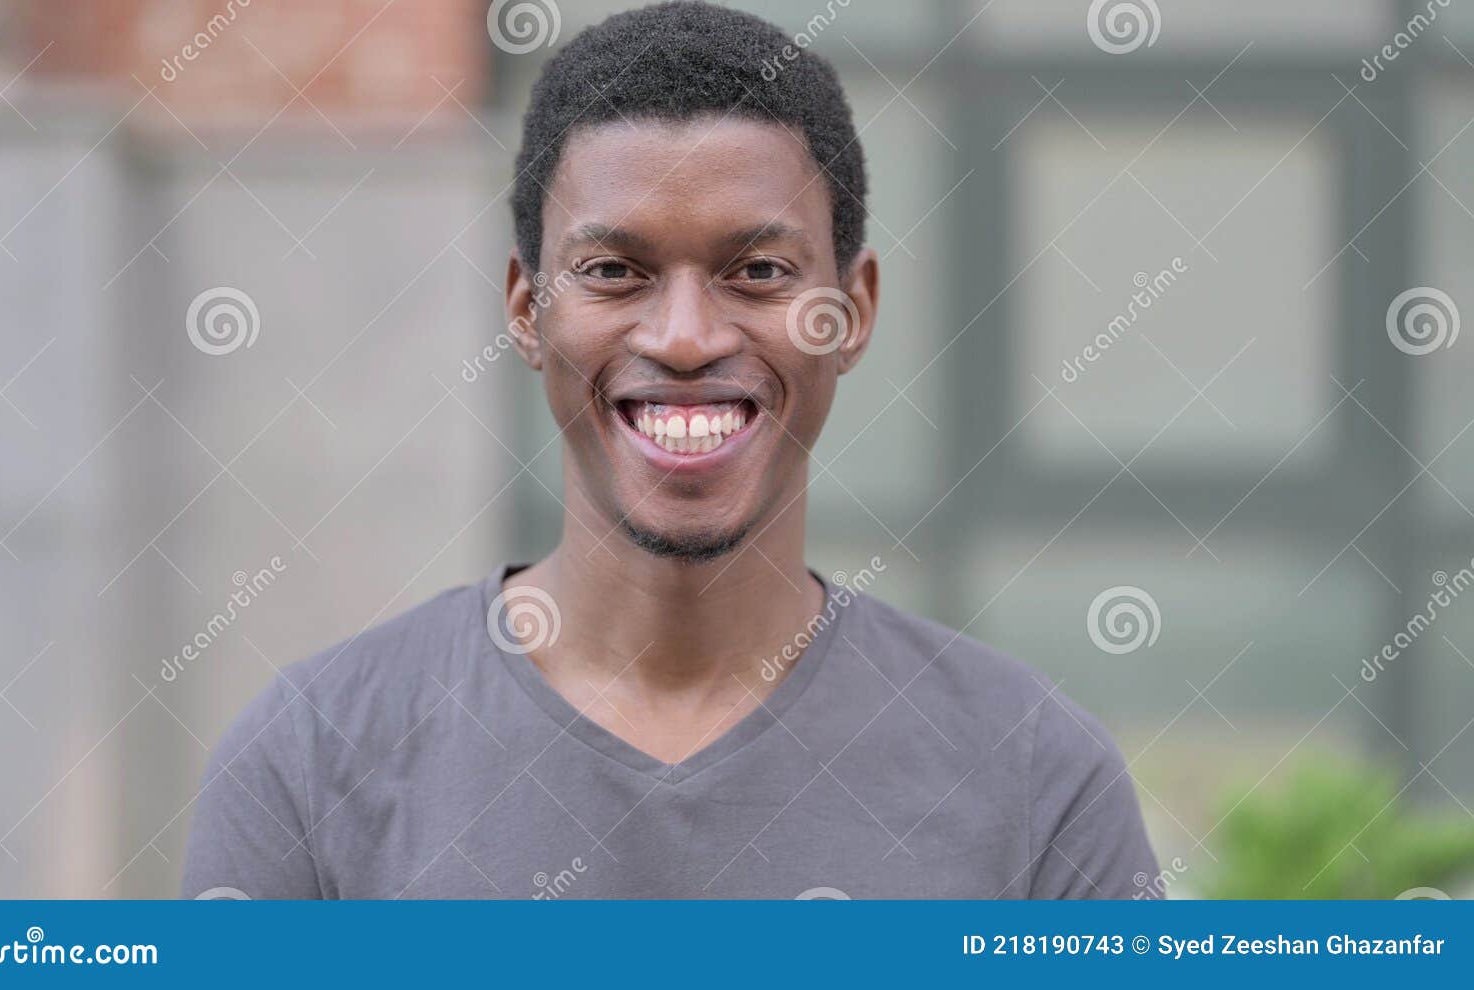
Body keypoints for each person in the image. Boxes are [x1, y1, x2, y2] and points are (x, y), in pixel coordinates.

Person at [183, 0, 1159, 899]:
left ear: (850, 311)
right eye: (614, 271)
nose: (685, 337)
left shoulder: (1032, 779)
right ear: (527, 311)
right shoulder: (313, 758)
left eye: (759, 271)